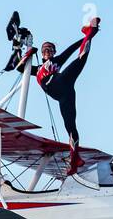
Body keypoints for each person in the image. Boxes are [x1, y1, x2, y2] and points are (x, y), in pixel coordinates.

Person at [37, 16, 101, 171]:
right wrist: (26, 52)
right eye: (44, 49)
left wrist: (86, 37)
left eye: (50, 49)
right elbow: (17, 67)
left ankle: (90, 32)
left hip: (60, 82)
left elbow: (71, 50)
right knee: (70, 126)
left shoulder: (55, 62)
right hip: (63, 95)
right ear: (41, 52)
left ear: (53, 52)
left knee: (81, 57)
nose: (47, 51)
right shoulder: (36, 69)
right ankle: (75, 159)